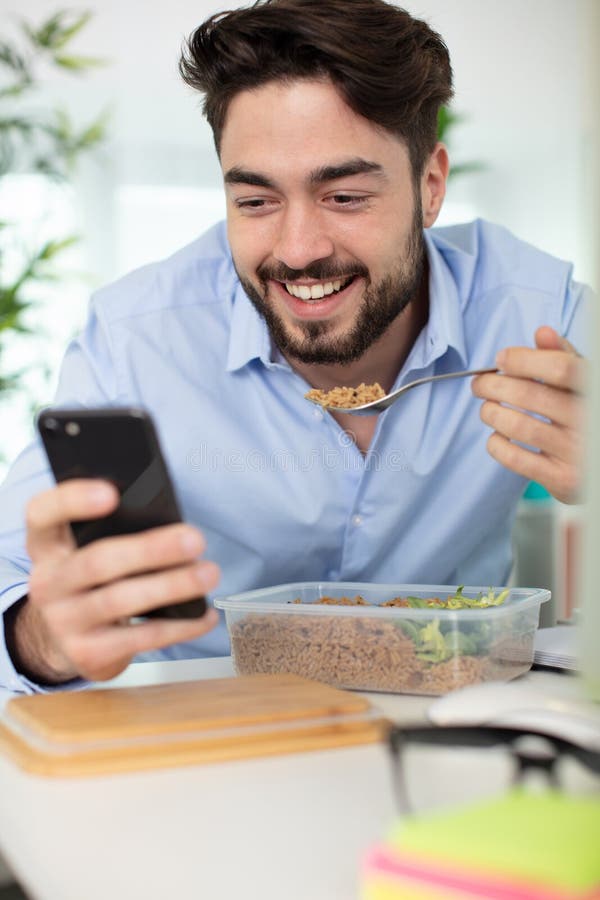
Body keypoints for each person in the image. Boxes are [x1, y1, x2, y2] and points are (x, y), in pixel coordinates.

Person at [0, 0, 587, 693]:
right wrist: (45, 636)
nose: (299, 251)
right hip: (201, 734)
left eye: (343, 196)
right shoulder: (134, 340)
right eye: (256, 202)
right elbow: (16, 589)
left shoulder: (538, 314)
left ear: (430, 188)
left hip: (453, 727)